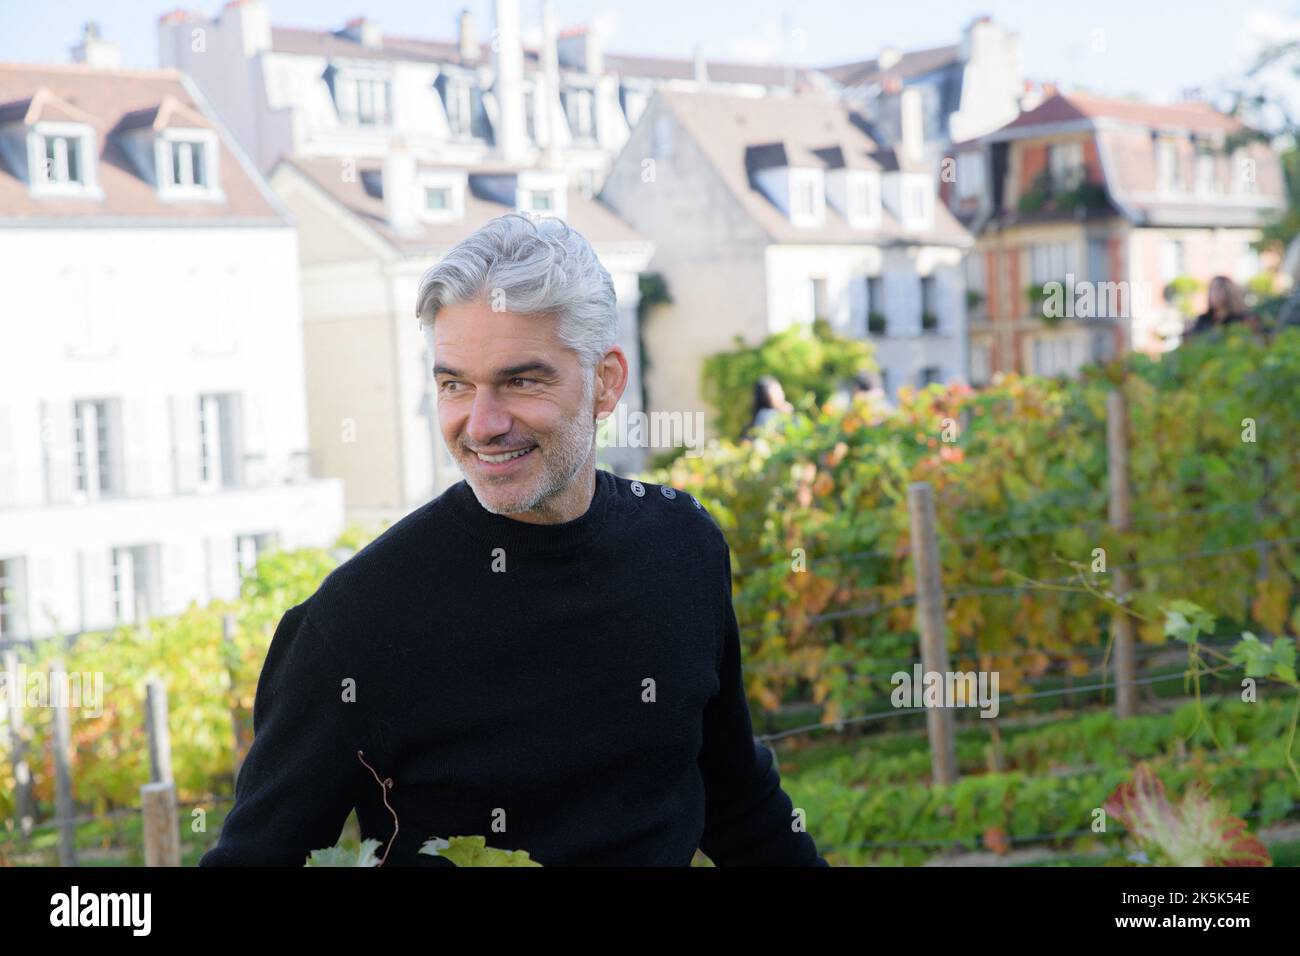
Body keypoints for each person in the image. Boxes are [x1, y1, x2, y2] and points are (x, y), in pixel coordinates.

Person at [199, 213, 828, 867]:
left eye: (521, 381)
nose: (483, 423)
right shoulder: (354, 622)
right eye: (455, 386)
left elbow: (734, 796)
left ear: (606, 382)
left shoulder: (682, 545)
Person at [1184, 275, 1260, 341]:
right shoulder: (1203, 320)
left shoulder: (1240, 320)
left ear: (1229, 291)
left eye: (1218, 289)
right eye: (1211, 289)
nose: (1214, 294)